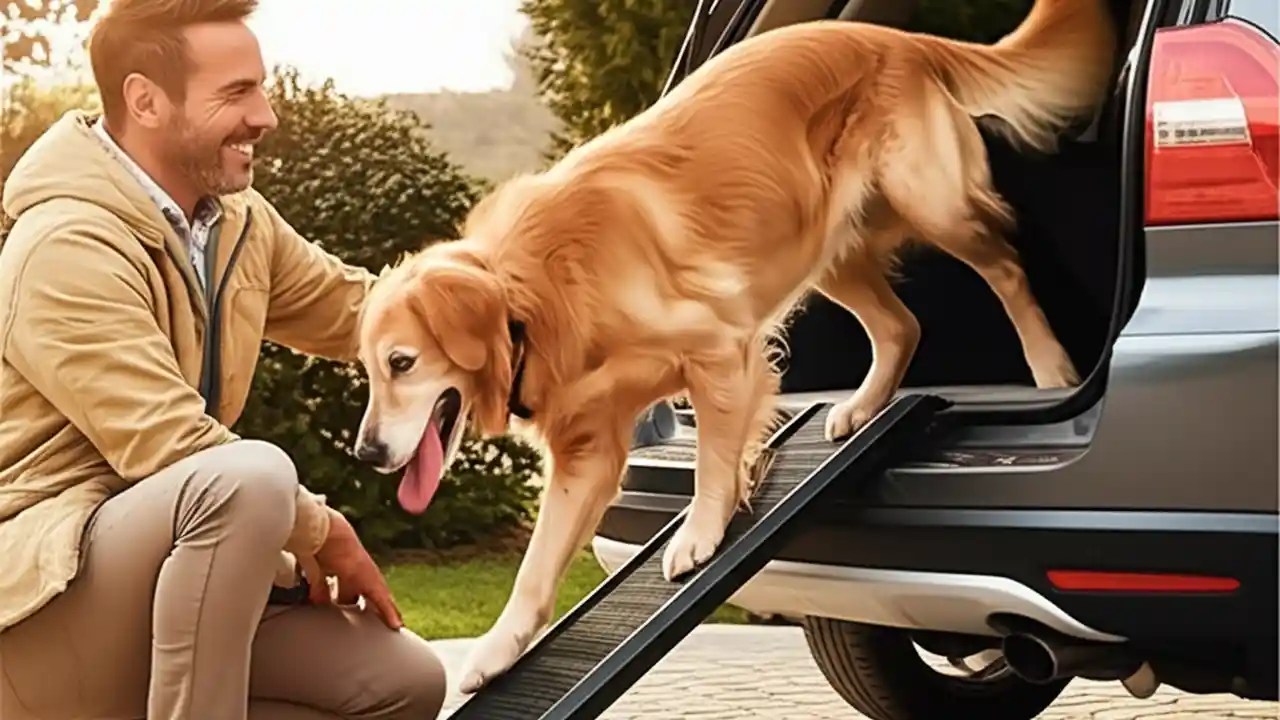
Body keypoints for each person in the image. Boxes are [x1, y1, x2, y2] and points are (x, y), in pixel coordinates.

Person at [0, 1, 448, 718]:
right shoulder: (65, 243)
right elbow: (169, 445)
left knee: (401, 686)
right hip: (41, 609)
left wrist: (512, 313)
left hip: (169, 588)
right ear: (144, 100)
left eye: (260, 88)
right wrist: (323, 529)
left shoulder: (236, 224)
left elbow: (362, 312)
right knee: (248, 476)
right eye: (237, 93)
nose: (265, 115)